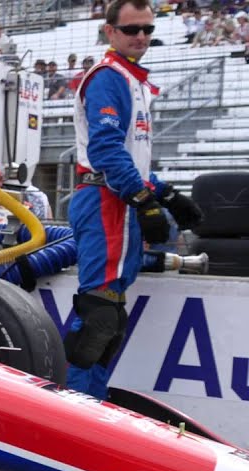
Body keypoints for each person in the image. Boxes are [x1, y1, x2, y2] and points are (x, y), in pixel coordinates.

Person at [66, 0, 203, 398]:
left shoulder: (133, 80)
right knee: (99, 314)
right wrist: (144, 200)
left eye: (147, 30)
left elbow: (131, 157)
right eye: (131, 29)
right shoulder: (110, 78)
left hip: (117, 200)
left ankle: (94, 403)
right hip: (105, 201)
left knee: (110, 314)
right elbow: (107, 151)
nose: (141, 36)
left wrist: (167, 194)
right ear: (110, 32)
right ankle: (72, 409)